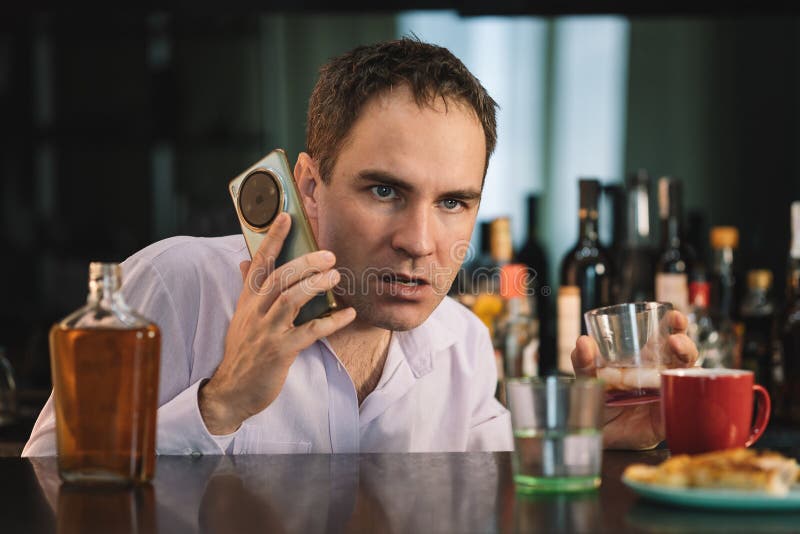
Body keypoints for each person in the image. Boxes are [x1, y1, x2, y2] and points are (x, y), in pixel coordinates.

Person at [23, 38, 697, 456]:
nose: (419, 242)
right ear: (308, 187)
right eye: (383, 191)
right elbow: (42, 493)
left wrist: (596, 429)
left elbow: (491, 476)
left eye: (453, 202)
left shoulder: (462, 345)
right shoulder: (175, 287)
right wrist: (219, 403)